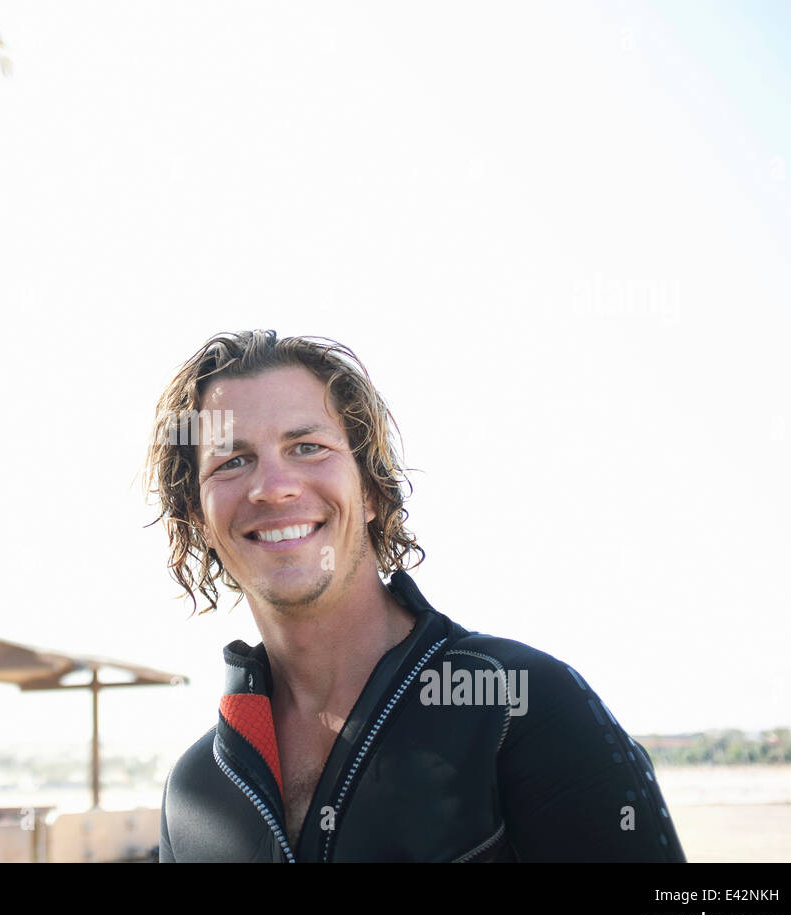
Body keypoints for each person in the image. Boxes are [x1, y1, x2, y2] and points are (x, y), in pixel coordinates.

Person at [143, 329, 686, 862]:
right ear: (198, 519)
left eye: (308, 447)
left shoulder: (517, 704)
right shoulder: (194, 795)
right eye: (231, 461)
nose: (273, 486)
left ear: (372, 490)